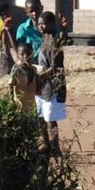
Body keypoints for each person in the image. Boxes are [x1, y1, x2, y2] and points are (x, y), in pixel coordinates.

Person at [35, 11, 67, 157]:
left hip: (52, 86)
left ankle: (55, 148)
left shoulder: (53, 41)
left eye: (44, 24)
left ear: (51, 24)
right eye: (39, 23)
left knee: (50, 118)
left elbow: (54, 67)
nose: (40, 26)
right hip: (42, 86)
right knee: (40, 117)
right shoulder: (45, 39)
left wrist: (40, 75)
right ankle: (47, 145)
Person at [10, 40, 40, 110]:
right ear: (17, 56)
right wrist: (12, 101)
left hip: (32, 102)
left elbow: (37, 85)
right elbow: (10, 86)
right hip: (19, 103)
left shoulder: (34, 69)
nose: (26, 56)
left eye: (28, 53)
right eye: (22, 54)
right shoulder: (16, 69)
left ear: (32, 54)